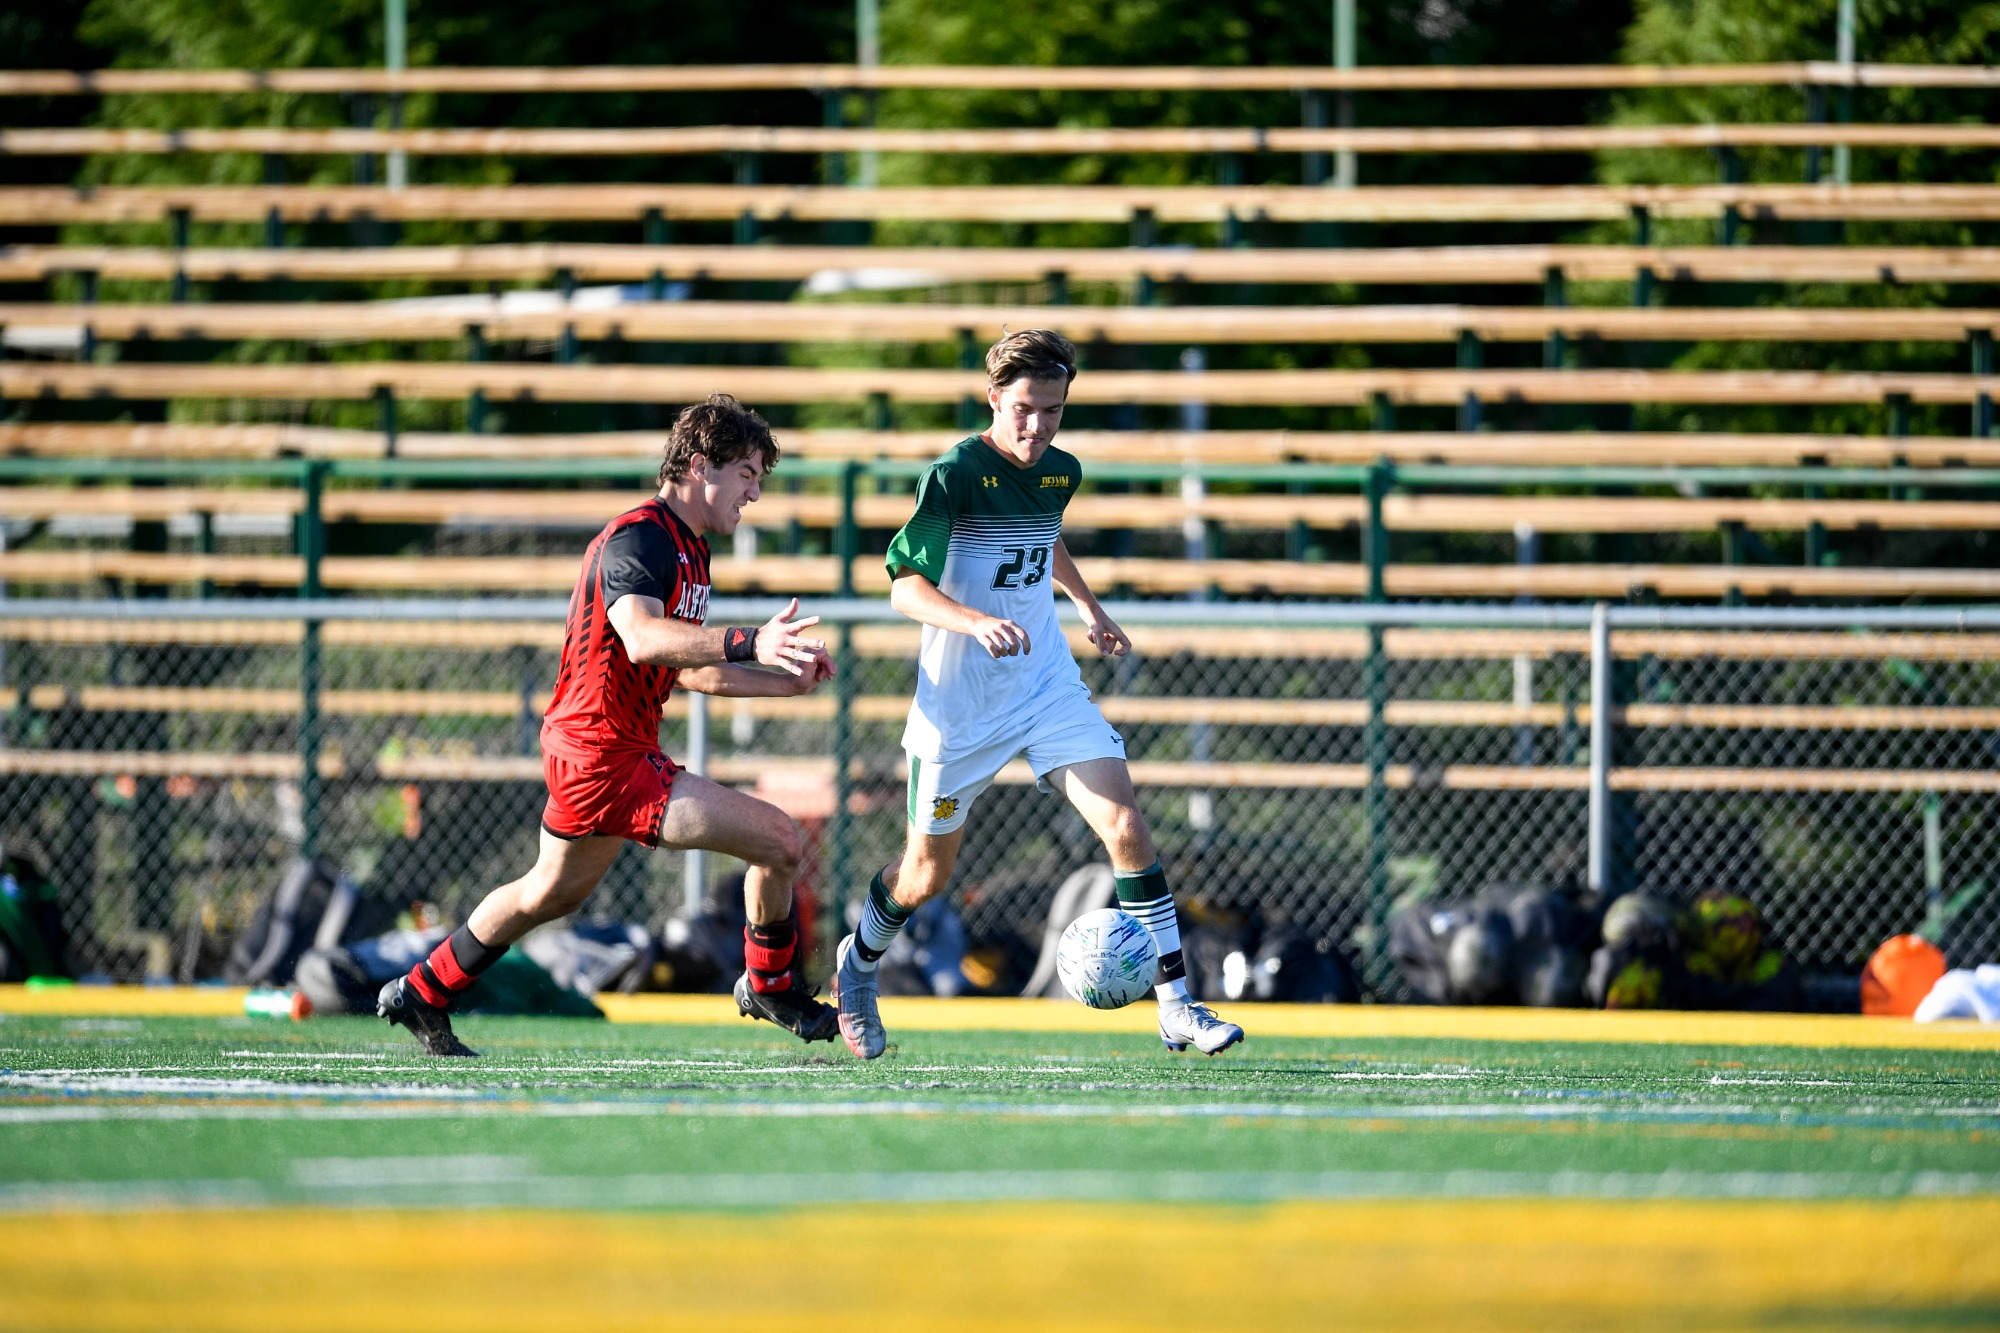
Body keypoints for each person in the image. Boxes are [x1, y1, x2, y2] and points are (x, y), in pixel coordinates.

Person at [378, 394, 840, 1056]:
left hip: (598, 749)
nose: (756, 493)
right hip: (603, 752)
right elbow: (644, 637)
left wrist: (783, 681)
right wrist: (749, 641)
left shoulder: (691, 550)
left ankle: (423, 988)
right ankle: (769, 984)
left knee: (547, 891)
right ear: (700, 465)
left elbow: (690, 668)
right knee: (779, 838)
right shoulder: (641, 535)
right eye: (747, 473)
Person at [830, 329, 1245, 1060]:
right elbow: (903, 586)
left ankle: (1176, 1004)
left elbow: (1043, 537)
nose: (1037, 425)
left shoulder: (1060, 471)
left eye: (1052, 410)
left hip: (1045, 685)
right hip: (960, 707)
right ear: (993, 398)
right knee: (926, 874)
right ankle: (858, 965)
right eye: (1024, 408)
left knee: (1125, 824)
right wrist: (973, 620)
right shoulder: (955, 472)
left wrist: (1087, 605)